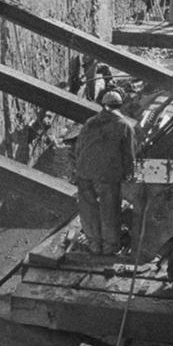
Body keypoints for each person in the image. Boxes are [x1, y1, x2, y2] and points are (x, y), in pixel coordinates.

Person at [73, 90, 137, 255]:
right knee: (110, 210)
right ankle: (109, 247)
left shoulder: (90, 123)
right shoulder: (124, 125)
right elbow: (128, 155)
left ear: (102, 105)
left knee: (89, 210)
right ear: (120, 105)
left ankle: (94, 245)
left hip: (84, 172)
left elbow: (79, 148)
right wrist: (130, 174)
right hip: (107, 176)